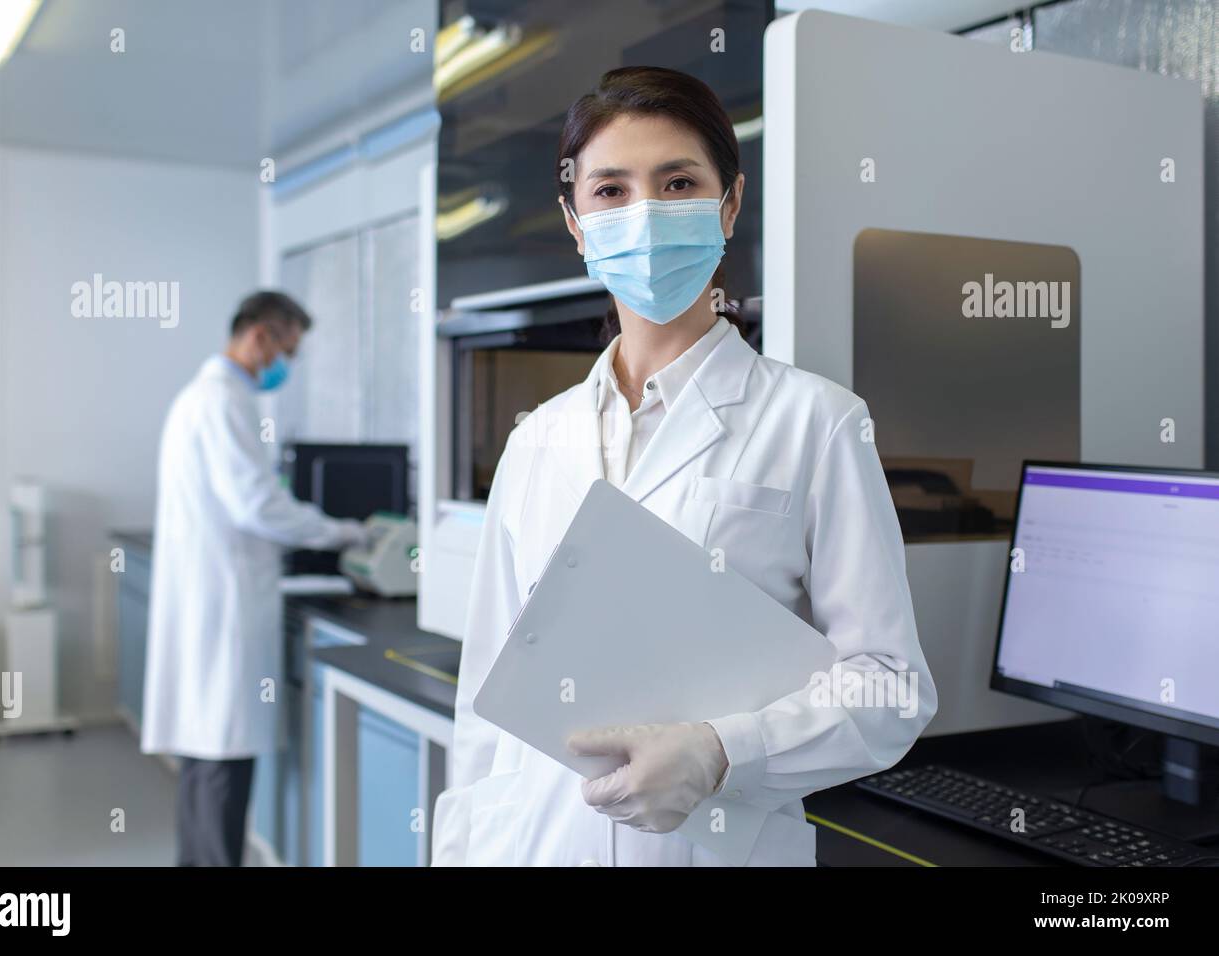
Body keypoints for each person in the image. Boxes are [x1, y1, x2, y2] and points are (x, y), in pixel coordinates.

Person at [432, 67, 938, 866]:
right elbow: (482, 709)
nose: (646, 216)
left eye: (677, 183)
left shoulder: (818, 422)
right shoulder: (538, 439)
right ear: (576, 223)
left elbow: (889, 688)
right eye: (610, 191)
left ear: (729, 204)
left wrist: (721, 753)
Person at [142, 290, 366, 866]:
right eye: (286, 349)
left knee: (204, 763)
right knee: (221, 762)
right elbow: (257, 506)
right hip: (223, 605)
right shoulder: (223, 401)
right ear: (260, 336)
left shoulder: (202, 398)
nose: (284, 365)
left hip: (209, 599)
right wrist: (343, 532)